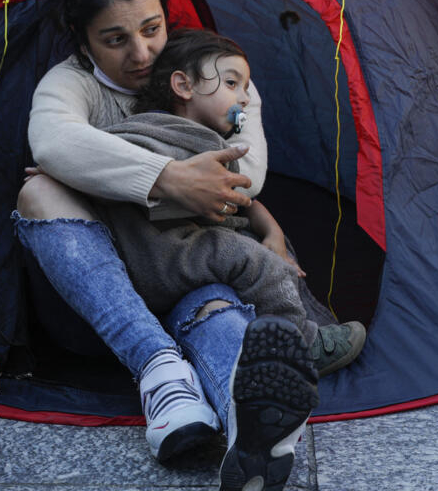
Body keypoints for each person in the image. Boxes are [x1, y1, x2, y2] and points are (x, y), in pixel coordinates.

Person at [15, 0, 350, 490]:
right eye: (115, 39)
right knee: (40, 190)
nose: (143, 52)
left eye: (152, 28)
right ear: (83, 41)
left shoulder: (205, 69)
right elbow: (52, 142)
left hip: (190, 269)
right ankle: (159, 368)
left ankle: (253, 428)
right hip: (107, 279)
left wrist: (264, 222)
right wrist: (168, 180)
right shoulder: (70, 83)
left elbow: (248, 169)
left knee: (215, 310)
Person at [99, 28, 366, 371]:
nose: (243, 98)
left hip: (191, 246)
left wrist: (274, 235)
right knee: (255, 261)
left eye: (245, 87)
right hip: (166, 255)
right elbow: (118, 151)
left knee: (268, 250)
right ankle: (302, 343)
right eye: (231, 83)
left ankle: (290, 329)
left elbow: (244, 202)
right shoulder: (156, 132)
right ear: (183, 86)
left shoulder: (206, 141)